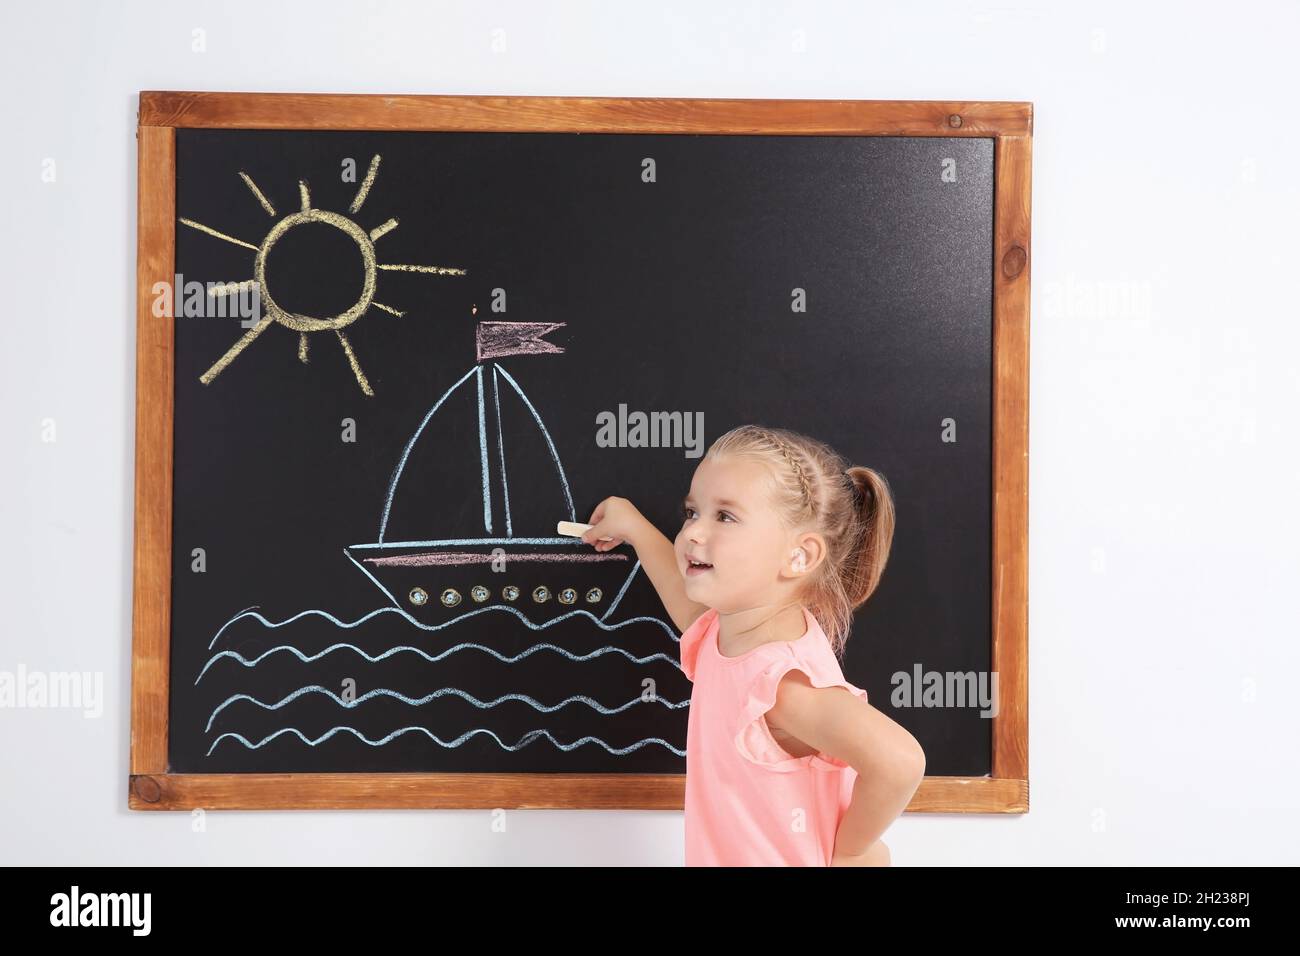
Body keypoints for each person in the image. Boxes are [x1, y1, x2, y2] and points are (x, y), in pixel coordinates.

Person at [581, 424, 925, 866]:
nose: (691, 534)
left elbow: (898, 761)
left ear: (799, 556)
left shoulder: (780, 685)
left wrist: (852, 851)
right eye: (691, 512)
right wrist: (636, 529)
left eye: (724, 516)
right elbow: (689, 611)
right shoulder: (733, 635)